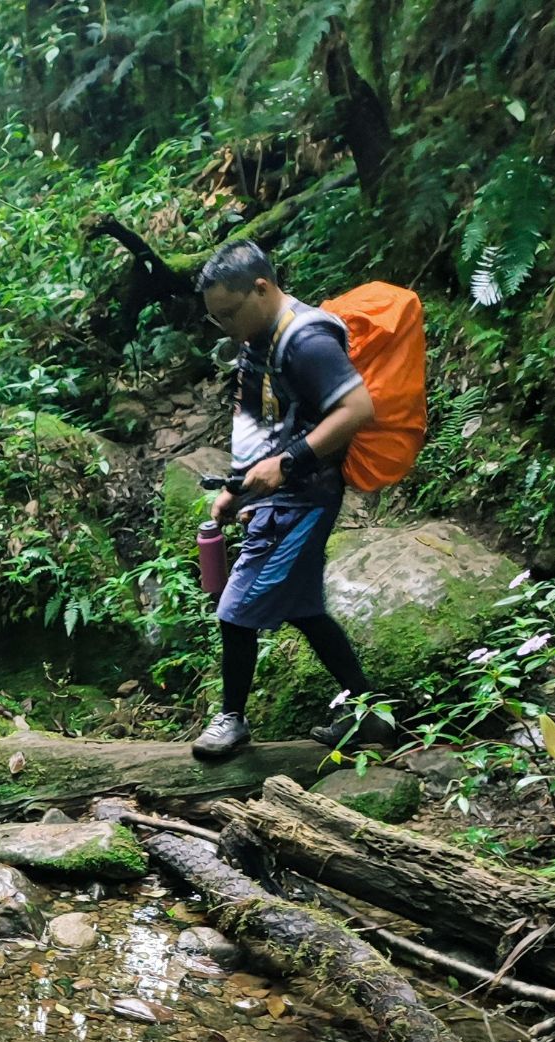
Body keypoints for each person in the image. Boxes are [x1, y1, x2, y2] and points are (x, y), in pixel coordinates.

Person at [190, 241, 380, 761]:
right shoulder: (257, 339)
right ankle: (373, 716)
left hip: (306, 496)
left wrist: (288, 463)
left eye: (230, 312)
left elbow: (357, 408)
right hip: (279, 497)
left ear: (262, 288)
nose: (226, 325)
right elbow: (257, 427)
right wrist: (235, 489)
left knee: (235, 611)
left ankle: (231, 719)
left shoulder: (308, 340)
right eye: (217, 318)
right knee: (305, 611)